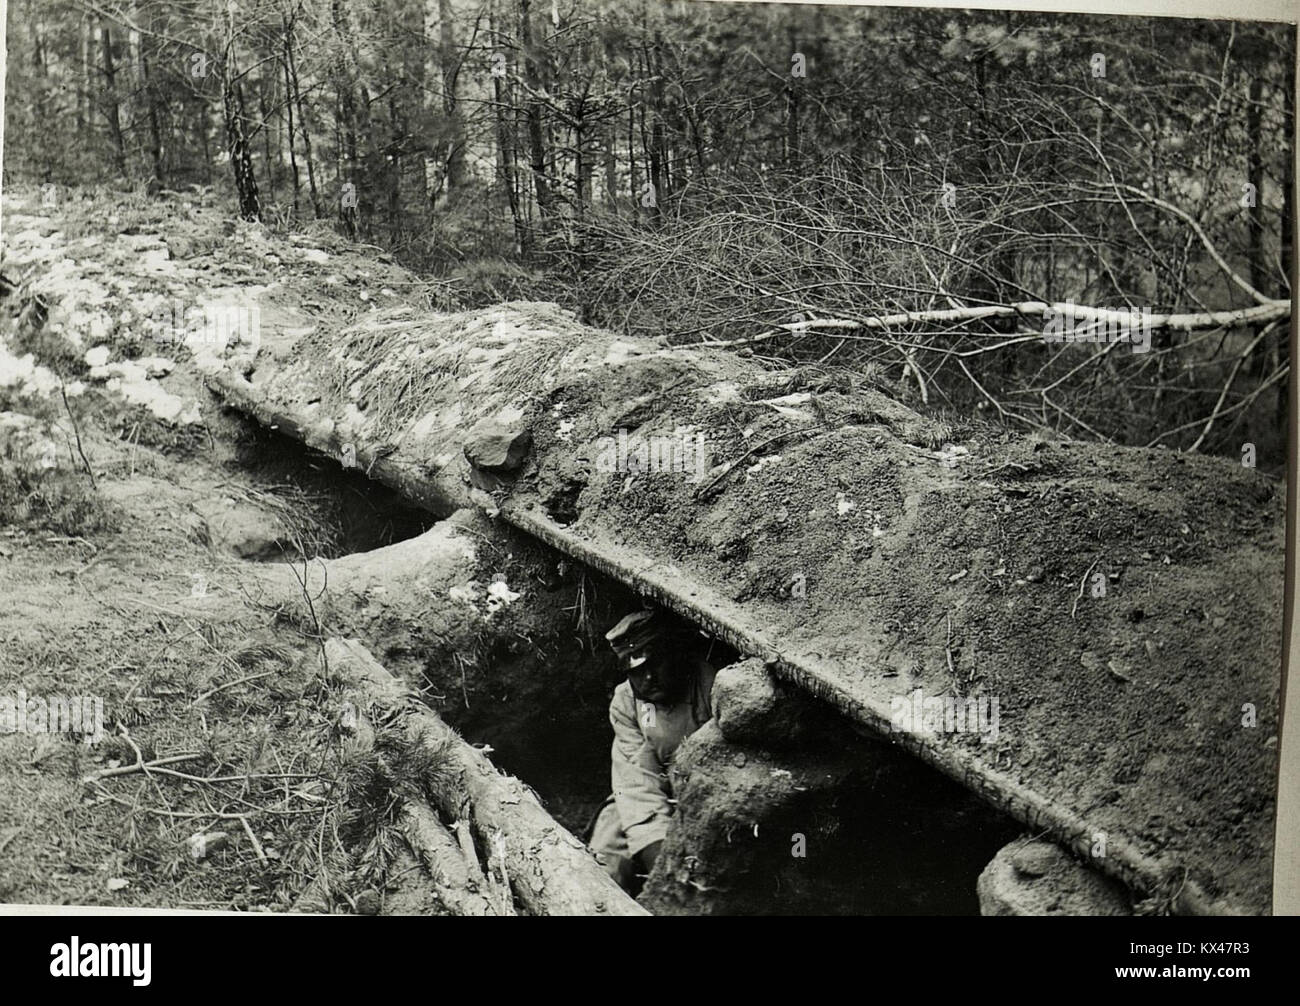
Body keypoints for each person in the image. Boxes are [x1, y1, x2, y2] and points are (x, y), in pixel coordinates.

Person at [587, 609, 716, 893]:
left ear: (675, 653)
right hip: (651, 787)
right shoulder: (626, 701)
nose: (648, 678)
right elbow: (636, 782)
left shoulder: (709, 684)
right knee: (606, 853)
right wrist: (661, 863)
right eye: (636, 670)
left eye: (656, 664)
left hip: (704, 792)